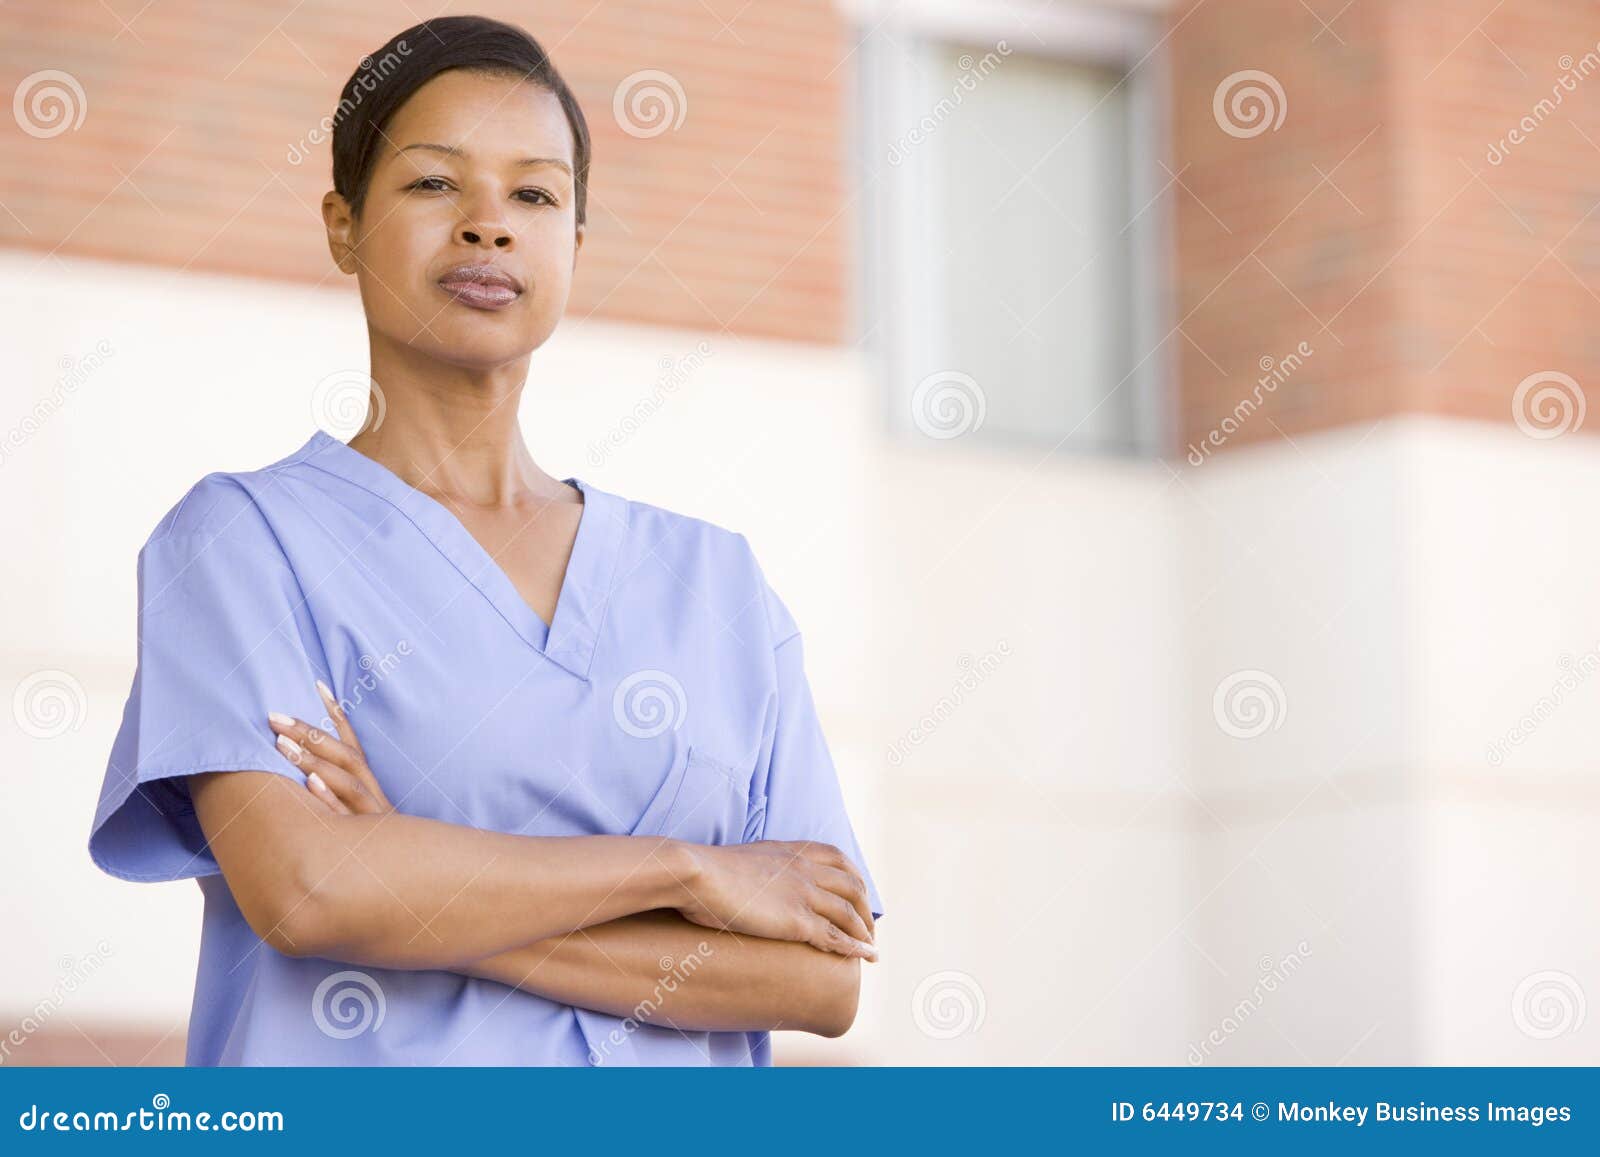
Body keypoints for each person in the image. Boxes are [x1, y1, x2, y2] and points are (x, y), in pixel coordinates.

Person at [86, 14, 882, 1066]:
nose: (487, 225)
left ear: (574, 246)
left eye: (535, 195)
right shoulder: (242, 540)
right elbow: (309, 890)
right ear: (342, 224)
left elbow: (821, 979)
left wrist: (418, 885)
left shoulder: (715, 582)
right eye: (432, 184)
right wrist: (689, 873)